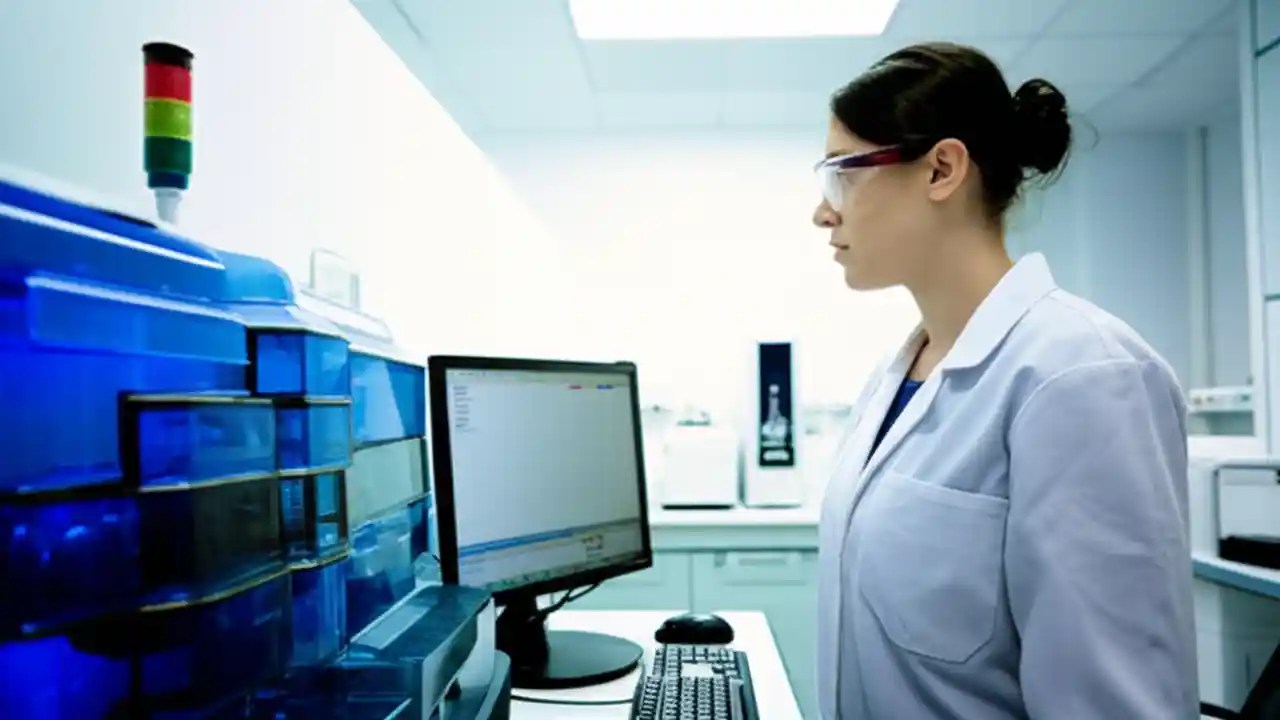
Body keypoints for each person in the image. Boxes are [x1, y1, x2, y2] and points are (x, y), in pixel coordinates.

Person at [811, 42, 1197, 719]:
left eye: (842, 173)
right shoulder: (896, 377)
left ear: (941, 169)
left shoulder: (1082, 377)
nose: (823, 212)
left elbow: (1112, 704)